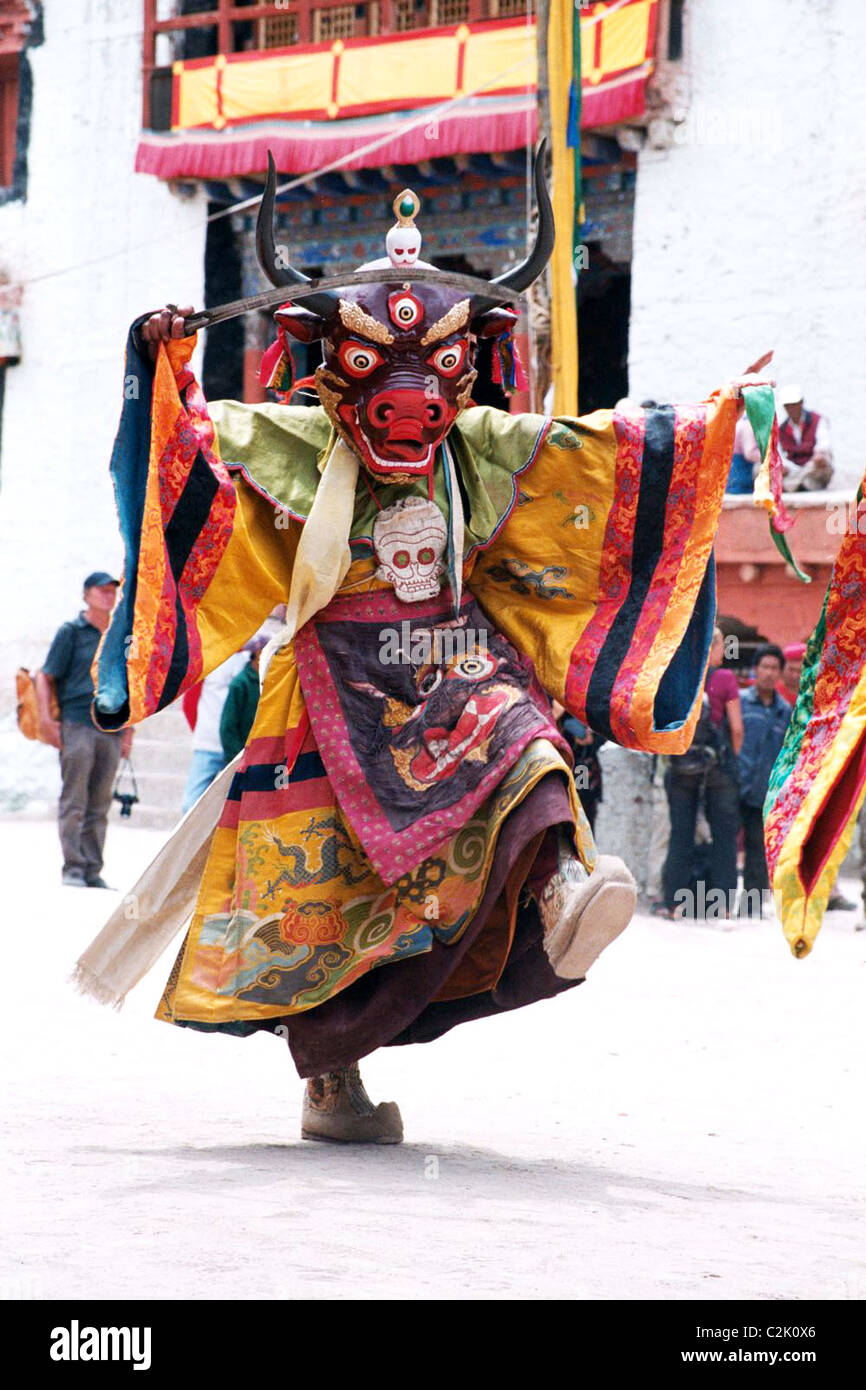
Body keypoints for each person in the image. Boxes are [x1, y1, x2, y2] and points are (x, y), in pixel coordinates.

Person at [75, 162, 772, 1144]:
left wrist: (704, 427)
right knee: (323, 894)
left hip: (448, 655)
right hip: (323, 679)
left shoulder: (476, 446)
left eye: (437, 370)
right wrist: (161, 363)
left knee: (527, 749)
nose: (411, 397)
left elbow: (588, 453)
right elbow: (192, 448)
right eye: (371, 368)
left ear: (466, 364)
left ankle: (558, 886)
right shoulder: (295, 438)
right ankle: (332, 1084)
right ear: (319, 359)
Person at [36, 573, 133, 887]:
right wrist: (47, 721)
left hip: (112, 726)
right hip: (77, 723)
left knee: (100, 803)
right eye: (101, 591)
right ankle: (73, 868)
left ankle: (92, 869)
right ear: (86, 595)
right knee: (75, 799)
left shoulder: (120, 635)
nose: (108, 596)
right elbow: (44, 676)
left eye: (111, 591)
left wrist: (130, 731)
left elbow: (133, 685)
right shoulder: (72, 632)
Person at [660, 627, 743, 919]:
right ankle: (724, 907)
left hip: (682, 765)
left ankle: (673, 904)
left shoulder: (680, 676)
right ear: (716, 648)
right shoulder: (725, 678)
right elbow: (736, 728)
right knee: (724, 836)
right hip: (718, 767)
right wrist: (731, 758)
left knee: (680, 833)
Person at [738, 644, 792, 913]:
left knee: (759, 852)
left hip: (766, 792)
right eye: (764, 667)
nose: (769, 673)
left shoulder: (786, 712)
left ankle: (752, 907)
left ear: (780, 673)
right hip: (734, 785)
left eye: (774, 668)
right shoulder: (738, 702)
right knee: (722, 846)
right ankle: (713, 902)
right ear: (755, 669)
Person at [181, 652, 247, 814]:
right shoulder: (210, 658)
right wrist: (201, 731)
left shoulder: (250, 657)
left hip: (237, 747)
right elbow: (190, 702)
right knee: (191, 804)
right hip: (208, 742)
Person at [777, 385, 833, 491]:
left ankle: (797, 485)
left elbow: (824, 444)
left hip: (813, 466)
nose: (791, 409)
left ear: (801, 403)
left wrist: (820, 455)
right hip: (793, 469)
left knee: (822, 464)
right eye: (788, 406)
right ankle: (800, 485)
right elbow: (780, 454)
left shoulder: (818, 420)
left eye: (794, 405)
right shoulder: (782, 429)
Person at [220, 639, 266, 763]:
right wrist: (238, 761)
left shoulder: (274, 681)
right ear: (258, 653)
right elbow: (227, 728)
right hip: (243, 760)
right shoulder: (240, 684)